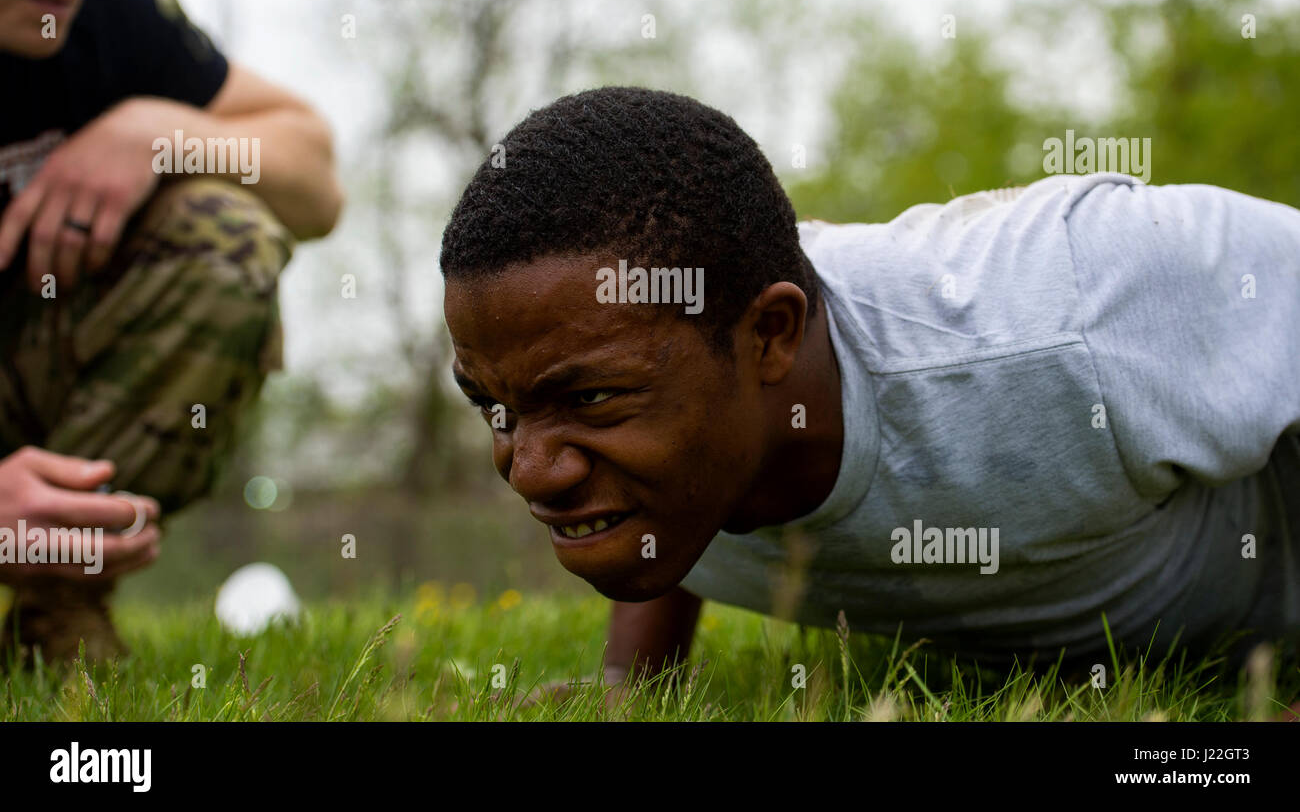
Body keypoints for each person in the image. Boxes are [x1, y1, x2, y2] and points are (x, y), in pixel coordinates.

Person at [439, 85, 1300, 701]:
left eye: (590, 400)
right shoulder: (682, 388)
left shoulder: (1075, 298)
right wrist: (635, 681)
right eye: (496, 406)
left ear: (770, 337)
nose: (532, 471)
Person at [0, 0, 341, 662]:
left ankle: (59, 608)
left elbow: (316, 184)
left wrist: (164, 134)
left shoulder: (106, 9)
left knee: (225, 238)